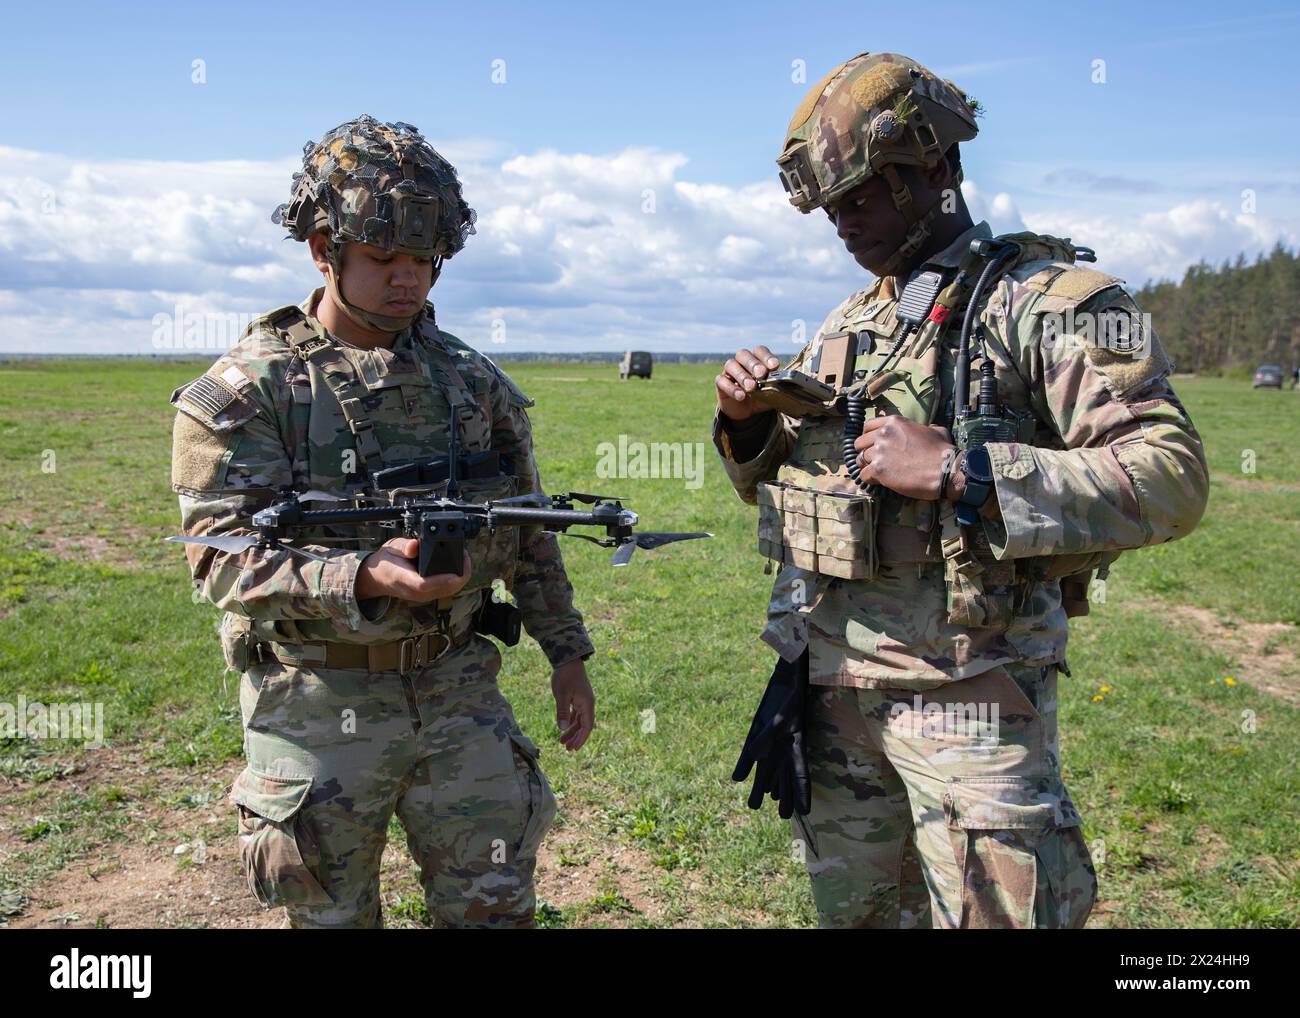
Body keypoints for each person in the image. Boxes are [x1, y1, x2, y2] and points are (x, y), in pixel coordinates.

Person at [716, 53, 1209, 928]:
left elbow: (1171, 477)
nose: (842, 221)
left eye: (862, 194)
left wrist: (964, 471)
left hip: (970, 700)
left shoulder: (1058, 303)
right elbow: (782, 480)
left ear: (936, 171)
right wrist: (748, 424)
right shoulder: (851, 321)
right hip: (834, 694)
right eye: (831, 206)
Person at [169, 115, 595, 929]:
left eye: (425, 260)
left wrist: (567, 653)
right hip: (316, 702)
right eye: (384, 258)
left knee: (495, 911)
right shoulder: (252, 390)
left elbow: (529, 529)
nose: (409, 280)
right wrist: (359, 574)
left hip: (458, 689)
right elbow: (218, 561)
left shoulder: (473, 382)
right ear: (323, 249)